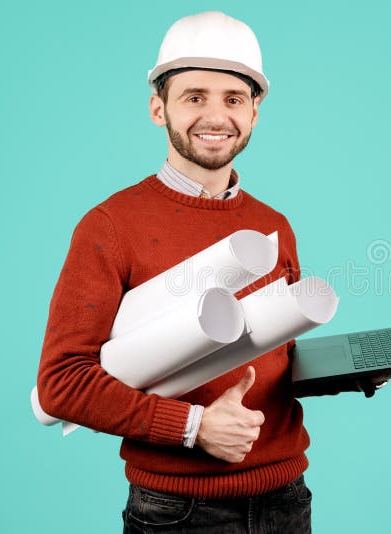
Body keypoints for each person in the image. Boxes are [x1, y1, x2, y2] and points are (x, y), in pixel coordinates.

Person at [36, 11, 315, 532]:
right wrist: (194, 427)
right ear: (157, 109)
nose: (216, 115)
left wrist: (355, 371)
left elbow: (277, 360)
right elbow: (61, 384)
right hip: (179, 512)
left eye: (233, 99)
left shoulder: (273, 226)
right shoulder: (110, 226)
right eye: (194, 97)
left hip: (287, 501)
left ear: (256, 112)